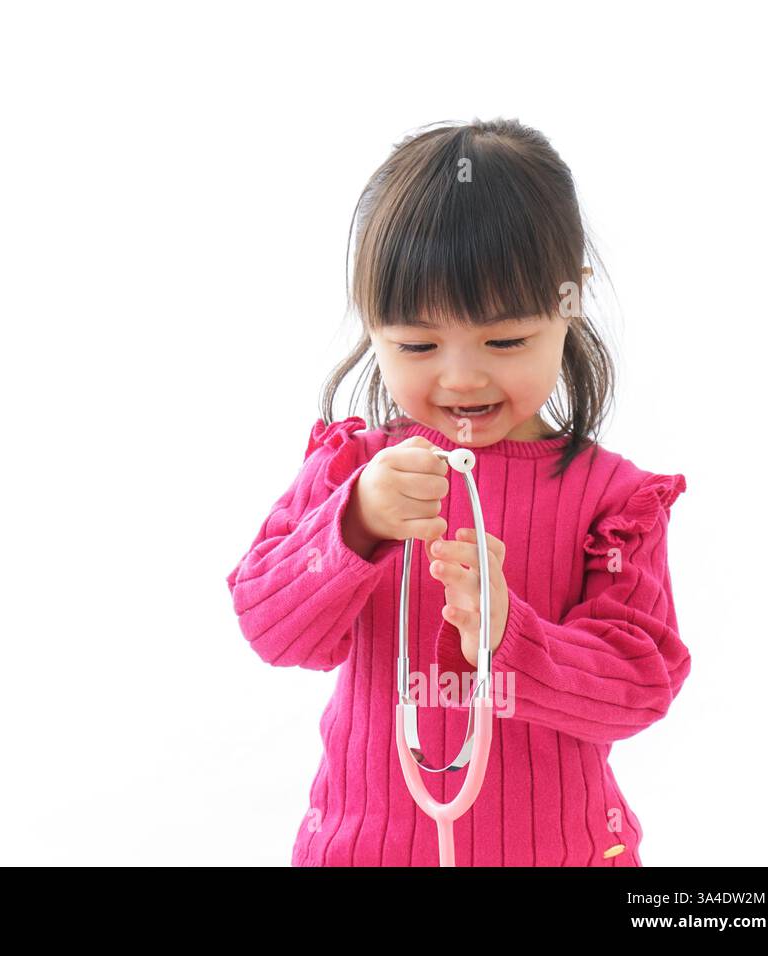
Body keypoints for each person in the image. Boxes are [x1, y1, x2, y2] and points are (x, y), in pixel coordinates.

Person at [224, 118, 690, 866]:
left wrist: (512, 638)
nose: (462, 378)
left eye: (505, 342)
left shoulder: (612, 499)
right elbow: (270, 626)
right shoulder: (354, 470)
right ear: (371, 323)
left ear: (571, 304)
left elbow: (638, 686)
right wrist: (353, 528)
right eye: (416, 346)